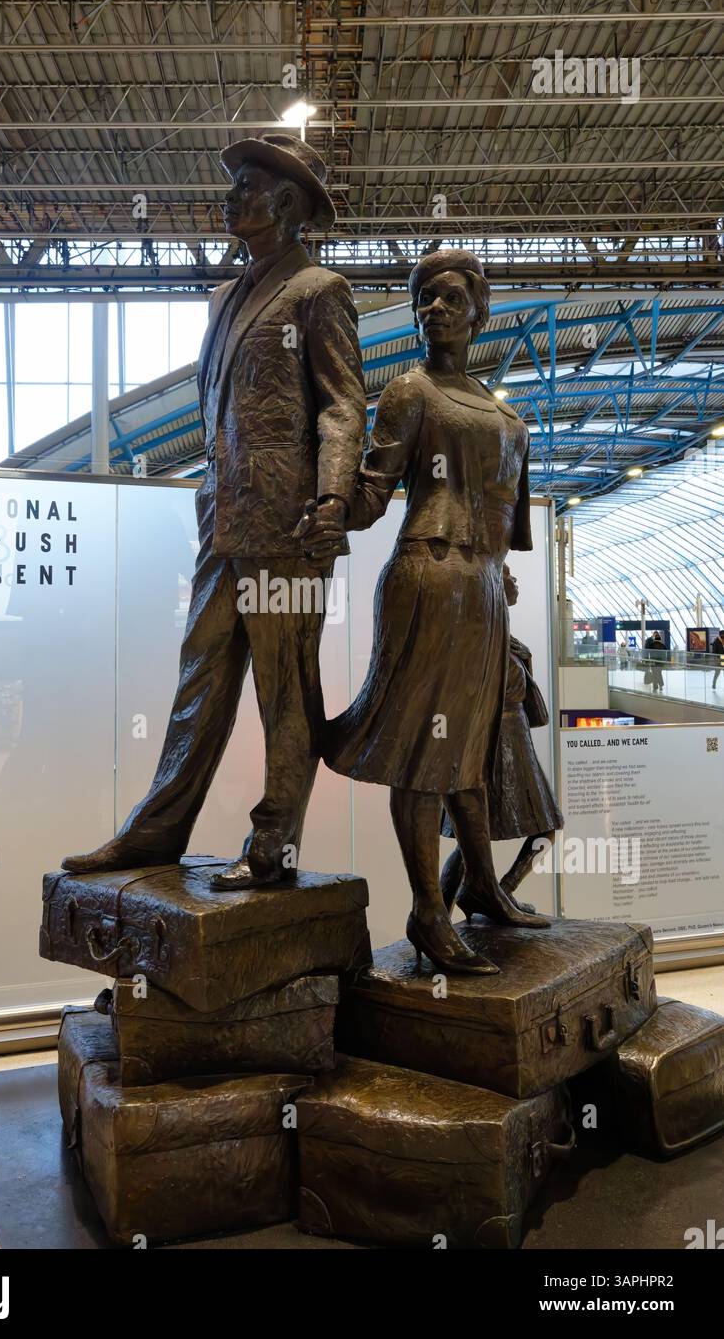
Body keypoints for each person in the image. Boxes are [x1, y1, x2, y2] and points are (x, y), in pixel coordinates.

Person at [62, 134, 367, 890]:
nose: (229, 200)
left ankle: (274, 847)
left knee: (285, 689)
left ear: (289, 205)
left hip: (291, 528)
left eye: (247, 187)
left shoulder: (318, 291)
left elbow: (341, 405)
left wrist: (332, 497)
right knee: (198, 681)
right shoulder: (224, 299)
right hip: (225, 523)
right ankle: (156, 830)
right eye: (231, 188)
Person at [300, 249, 549, 977]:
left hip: (482, 587)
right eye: (423, 300)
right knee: (421, 750)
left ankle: (477, 884)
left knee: (469, 746)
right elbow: (376, 491)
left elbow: (506, 519)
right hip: (428, 575)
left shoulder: (509, 416)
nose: (432, 309)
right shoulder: (409, 392)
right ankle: (426, 911)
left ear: (479, 312)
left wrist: (499, 585)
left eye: (447, 298)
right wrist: (329, 507)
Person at [440, 564, 564, 917]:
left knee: (486, 837)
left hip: (514, 740)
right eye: (508, 575)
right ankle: (445, 910)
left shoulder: (497, 632)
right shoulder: (475, 635)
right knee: (474, 837)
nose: (515, 580)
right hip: (494, 743)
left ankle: (488, 894)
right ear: (493, 587)